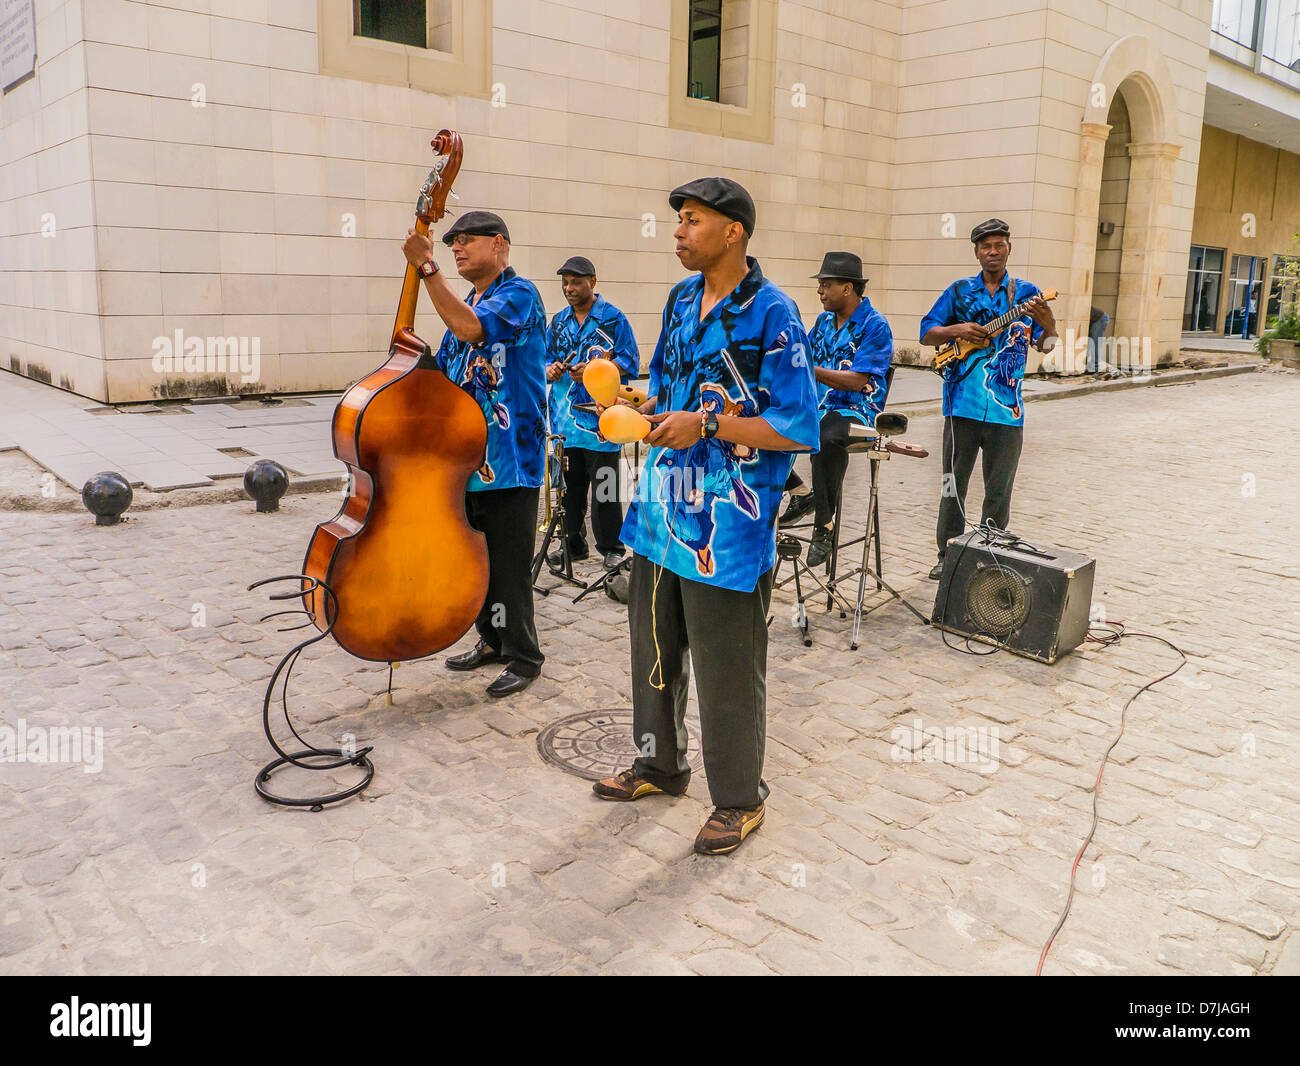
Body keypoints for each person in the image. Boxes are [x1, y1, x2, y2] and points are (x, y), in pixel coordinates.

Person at [591, 177, 820, 856]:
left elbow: (798, 423)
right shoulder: (681, 298)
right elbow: (668, 385)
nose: (678, 232)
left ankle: (739, 799)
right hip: (661, 514)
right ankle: (660, 765)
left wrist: (711, 422)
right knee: (652, 652)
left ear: (733, 232)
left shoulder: (774, 314)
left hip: (730, 529)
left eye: (691, 221)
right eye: (678, 221)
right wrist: (633, 399)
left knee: (726, 667)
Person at [402, 210, 547, 697]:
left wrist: (426, 270)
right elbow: (447, 367)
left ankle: (524, 656)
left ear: (499, 245)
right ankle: (491, 640)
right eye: (452, 243)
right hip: (467, 461)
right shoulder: (468, 299)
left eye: (466, 240)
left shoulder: (519, 295)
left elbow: (471, 330)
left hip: (511, 458)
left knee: (508, 565)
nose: (457, 248)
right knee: (478, 559)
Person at [920, 218, 1057, 580]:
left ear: (1009, 248)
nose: (992, 252)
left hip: (1006, 412)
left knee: (999, 490)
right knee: (953, 485)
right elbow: (926, 333)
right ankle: (945, 553)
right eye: (986, 246)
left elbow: (1046, 347)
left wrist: (1051, 323)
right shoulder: (959, 291)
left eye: (999, 245)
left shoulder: (1028, 293)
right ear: (976, 251)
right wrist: (958, 329)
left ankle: (990, 551)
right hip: (960, 406)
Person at [778, 251, 893, 568]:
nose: (820, 291)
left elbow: (857, 381)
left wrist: (809, 370)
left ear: (848, 288)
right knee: (764, 422)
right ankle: (801, 492)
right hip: (818, 407)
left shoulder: (875, 326)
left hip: (858, 411)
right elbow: (800, 357)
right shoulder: (823, 322)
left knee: (826, 437)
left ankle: (823, 528)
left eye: (826, 284)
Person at [544, 256, 640, 571]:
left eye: (576, 282)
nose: (569, 289)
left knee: (605, 489)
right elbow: (543, 361)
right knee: (568, 492)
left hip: (602, 423)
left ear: (592, 282)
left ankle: (612, 547)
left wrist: (598, 369)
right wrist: (552, 369)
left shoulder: (613, 319)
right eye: (565, 283)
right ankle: (572, 544)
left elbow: (631, 360)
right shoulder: (557, 322)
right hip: (564, 422)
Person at [1087, 305, 1109, 373]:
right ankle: (1088, 364)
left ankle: (1095, 367)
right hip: (1095, 319)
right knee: (1089, 342)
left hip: (1100, 319)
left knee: (1095, 343)